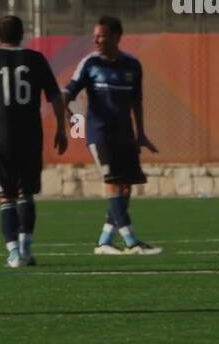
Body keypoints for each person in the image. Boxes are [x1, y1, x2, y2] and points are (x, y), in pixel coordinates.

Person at [0, 15, 68, 267]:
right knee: (26, 194)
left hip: (2, 137)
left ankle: (14, 254)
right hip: (31, 136)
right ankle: (26, 250)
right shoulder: (36, 59)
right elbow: (55, 97)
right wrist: (62, 129)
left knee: (7, 196)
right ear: (22, 35)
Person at [63, 16, 161, 255]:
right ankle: (132, 242)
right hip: (100, 134)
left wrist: (141, 134)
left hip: (125, 134)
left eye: (102, 35)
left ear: (117, 37)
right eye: (95, 35)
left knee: (126, 187)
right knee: (114, 184)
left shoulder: (132, 65)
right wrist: (70, 120)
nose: (96, 40)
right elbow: (67, 94)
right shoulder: (89, 64)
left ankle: (104, 241)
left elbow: (136, 102)